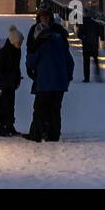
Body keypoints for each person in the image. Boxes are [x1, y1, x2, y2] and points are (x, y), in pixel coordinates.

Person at [24, 10, 75, 141]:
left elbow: (31, 60)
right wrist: (68, 76)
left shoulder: (41, 42)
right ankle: (53, 135)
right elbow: (70, 61)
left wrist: (31, 69)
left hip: (44, 81)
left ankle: (38, 134)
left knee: (40, 108)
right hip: (59, 82)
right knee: (55, 109)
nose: (44, 19)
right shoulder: (61, 40)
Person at [0, 25, 24, 136]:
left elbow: (17, 68)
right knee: (1, 105)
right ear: (13, 41)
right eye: (19, 41)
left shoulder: (17, 52)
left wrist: (17, 80)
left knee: (10, 104)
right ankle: (1, 127)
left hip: (10, 83)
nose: (20, 44)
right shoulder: (3, 53)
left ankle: (9, 126)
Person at [79, 14, 102, 82]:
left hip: (86, 46)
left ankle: (86, 78)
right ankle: (98, 76)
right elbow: (100, 33)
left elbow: (79, 35)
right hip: (94, 46)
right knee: (96, 61)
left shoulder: (82, 25)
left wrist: (84, 37)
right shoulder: (95, 24)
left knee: (86, 63)